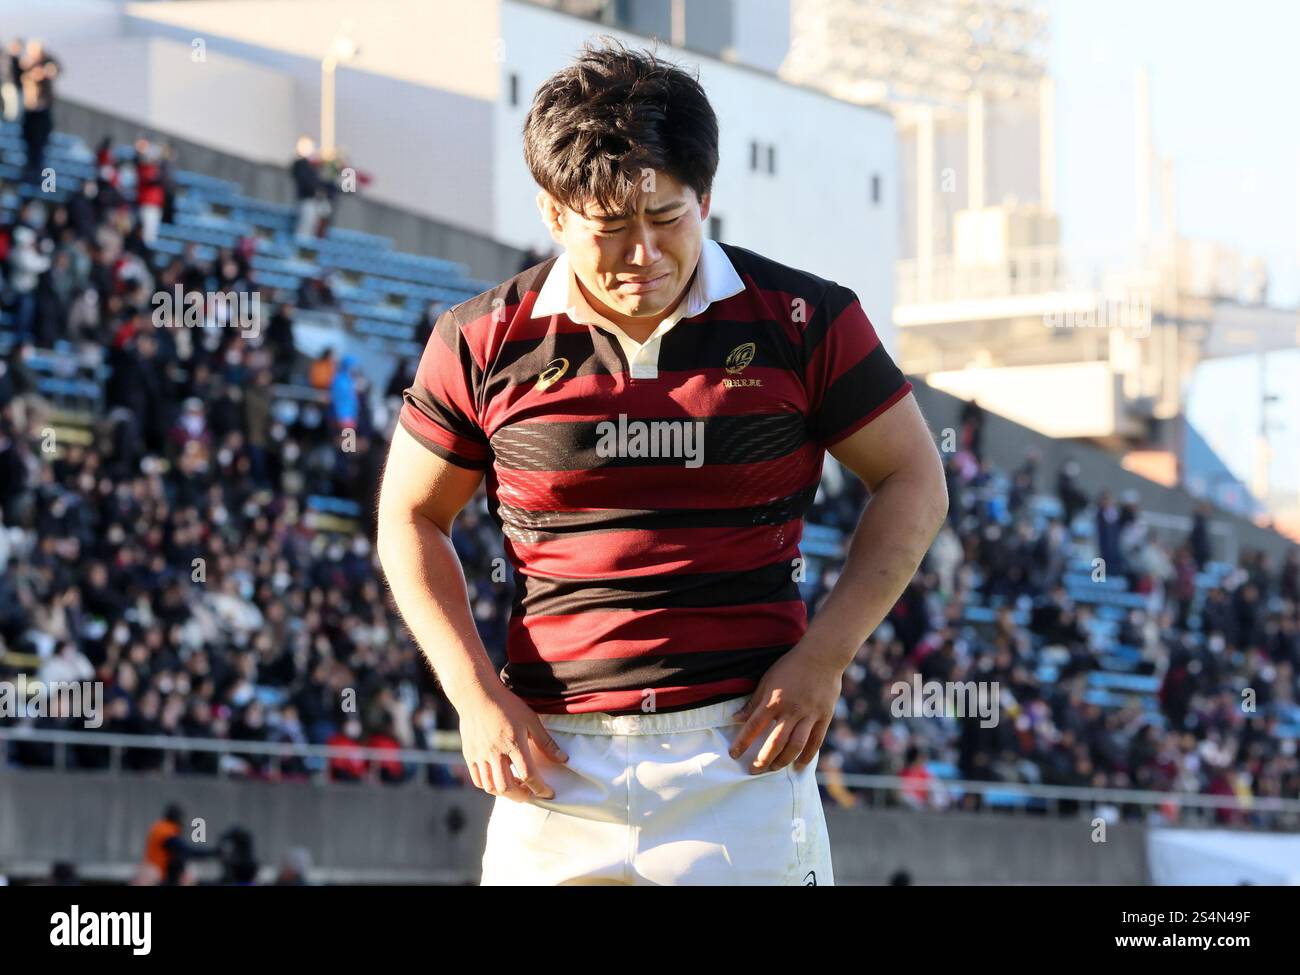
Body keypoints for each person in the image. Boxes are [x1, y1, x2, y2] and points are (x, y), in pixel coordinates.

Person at [377, 39, 947, 886]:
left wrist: (825, 655)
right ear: (554, 212)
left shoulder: (804, 319)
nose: (643, 253)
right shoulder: (481, 337)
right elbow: (410, 515)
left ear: (706, 195)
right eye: (610, 229)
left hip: (744, 755)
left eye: (668, 217)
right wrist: (472, 694)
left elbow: (913, 476)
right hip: (551, 760)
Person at [19, 40, 59, 183]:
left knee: (39, 146)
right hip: (31, 110)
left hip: (42, 112)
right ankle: (30, 173)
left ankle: (37, 176)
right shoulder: (28, 63)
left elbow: (56, 68)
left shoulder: (48, 62)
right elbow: (22, 69)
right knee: (30, 143)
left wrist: (45, 70)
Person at [290, 136, 325, 238]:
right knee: (304, 228)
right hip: (306, 199)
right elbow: (305, 181)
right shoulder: (300, 163)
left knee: (311, 228)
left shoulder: (313, 166)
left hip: (313, 201)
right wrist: (315, 191)